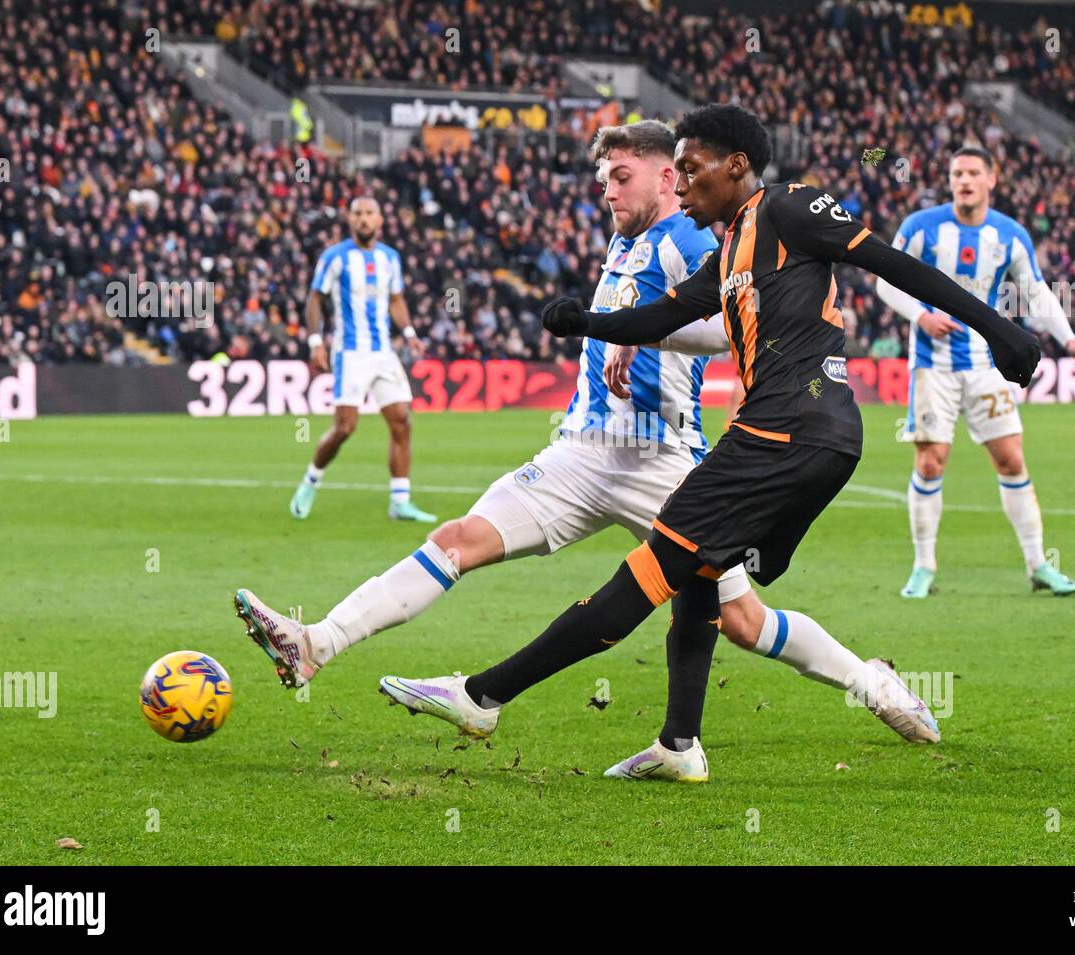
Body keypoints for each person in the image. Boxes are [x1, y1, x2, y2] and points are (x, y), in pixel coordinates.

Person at [372, 105, 1040, 782]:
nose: (681, 185)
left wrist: (999, 332)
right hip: (804, 438)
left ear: (737, 166)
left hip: (786, 430)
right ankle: (678, 744)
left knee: (648, 571)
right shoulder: (731, 250)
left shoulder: (791, 208)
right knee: (698, 573)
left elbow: (894, 265)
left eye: (690, 169)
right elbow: (664, 314)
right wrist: (589, 322)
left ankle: (483, 694)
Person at [236, 121, 939, 750]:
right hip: (580, 450)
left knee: (744, 621)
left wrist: (658, 328)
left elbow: (734, 329)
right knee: (458, 539)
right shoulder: (624, 239)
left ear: (668, 176)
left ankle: (869, 683)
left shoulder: (696, 236)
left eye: (621, 177)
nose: (607, 191)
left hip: (662, 461)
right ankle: (314, 643)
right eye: (603, 179)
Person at [874, 148, 1075, 598]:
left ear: (992, 178)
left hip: (986, 364)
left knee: (1011, 458)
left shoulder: (1009, 235)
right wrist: (921, 317)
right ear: (949, 179)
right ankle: (923, 566)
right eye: (957, 173)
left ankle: (1038, 565)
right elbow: (884, 280)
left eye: (974, 172)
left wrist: (1069, 339)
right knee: (931, 461)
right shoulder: (921, 227)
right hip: (933, 364)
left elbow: (1035, 293)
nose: (965, 180)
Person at [289, 195, 435, 523]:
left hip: (383, 351)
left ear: (380, 219)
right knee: (345, 428)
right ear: (349, 219)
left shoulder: (390, 259)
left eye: (370, 213)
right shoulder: (335, 257)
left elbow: (396, 299)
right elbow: (315, 298)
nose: (364, 219)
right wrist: (315, 342)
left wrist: (409, 332)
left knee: (401, 420)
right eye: (358, 214)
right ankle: (311, 480)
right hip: (350, 351)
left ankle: (400, 501)